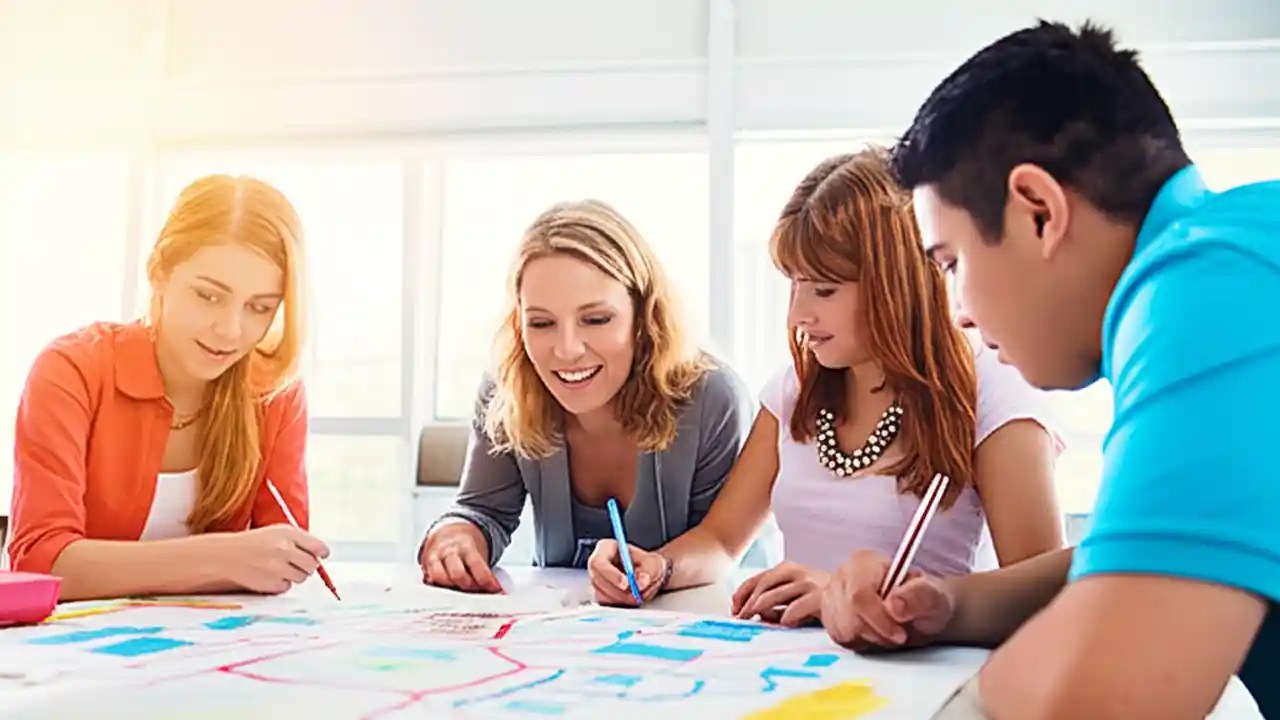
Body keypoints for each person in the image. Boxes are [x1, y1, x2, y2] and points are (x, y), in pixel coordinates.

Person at [819, 21, 1280, 719]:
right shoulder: (1243, 247)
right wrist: (949, 604)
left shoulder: (1207, 289)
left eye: (952, 263)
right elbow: (1147, 554)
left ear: (1038, 211)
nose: (959, 312)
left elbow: (1101, 696)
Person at [589, 149, 1064, 620]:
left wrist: (845, 593)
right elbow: (720, 540)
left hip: (925, 661)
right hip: (798, 657)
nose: (798, 315)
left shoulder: (994, 391)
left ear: (897, 284)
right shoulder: (794, 389)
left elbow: (1042, 596)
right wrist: (660, 567)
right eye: (794, 284)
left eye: (824, 290)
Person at [8, 175, 329, 601]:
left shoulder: (275, 393)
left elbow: (281, 558)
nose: (230, 330)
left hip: (211, 639)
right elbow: (40, 562)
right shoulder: (72, 370)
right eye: (208, 296)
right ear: (158, 272)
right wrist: (222, 557)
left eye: (259, 307)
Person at [419, 199, 753, 599]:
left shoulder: (712, 397)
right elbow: (481, 511)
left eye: (596, 320)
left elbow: (719, 541)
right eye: (541, 323)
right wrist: (455, 535)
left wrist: (659, 570)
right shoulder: (508, 388)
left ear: (644, 316)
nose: (567, 349)